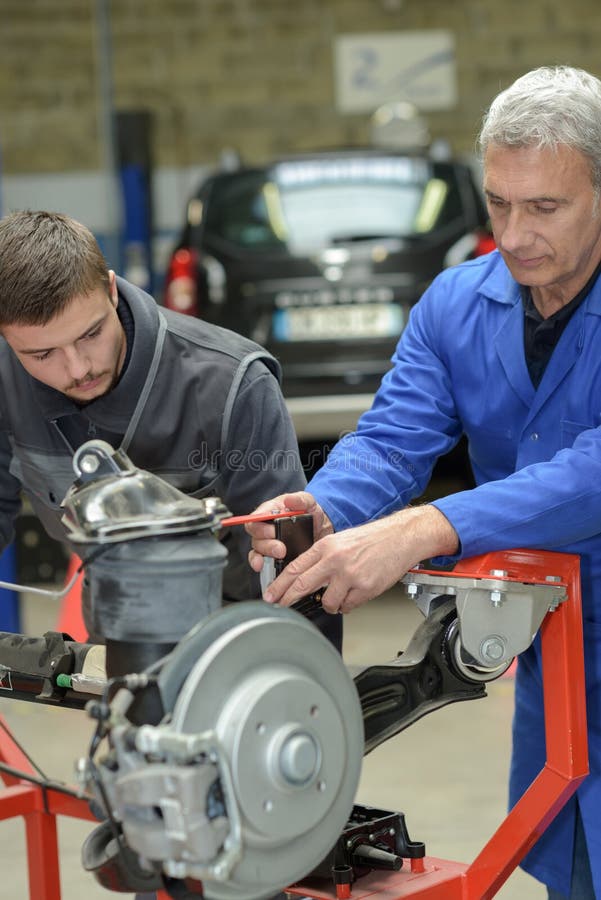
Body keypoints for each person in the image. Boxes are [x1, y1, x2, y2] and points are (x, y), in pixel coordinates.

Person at [247, 65, 601, 900]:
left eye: (544, 207)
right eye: (498, 204)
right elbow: (392, 438)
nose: (513, 234)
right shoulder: (454, 304)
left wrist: (423, 528)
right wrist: (325, 505)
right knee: (572, 866)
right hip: (556, 649)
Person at [0, 209, 343, 649]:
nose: (78, 368)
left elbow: (298, 571)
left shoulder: (233, 386)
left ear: (110, 289)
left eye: (90, 334)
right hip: (116, 640)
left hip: (244, 641)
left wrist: (301, 692)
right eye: (43, 355)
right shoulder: (6, 378)